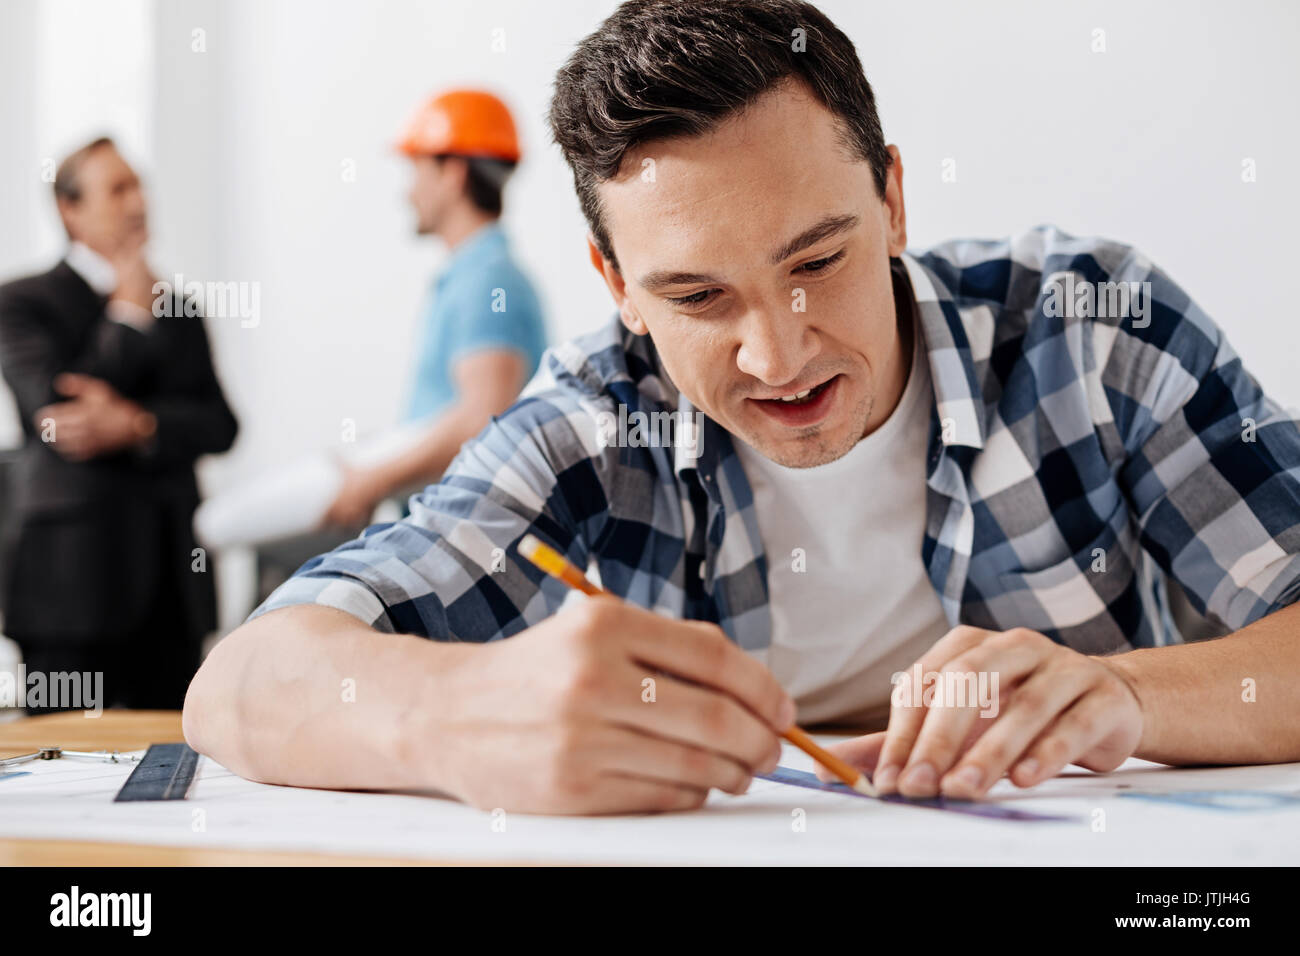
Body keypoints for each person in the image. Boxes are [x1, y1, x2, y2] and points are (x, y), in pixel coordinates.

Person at [184, 0, 1300, 815]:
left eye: (817, 258)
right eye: (694, 295)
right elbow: (240, 681)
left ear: (894, 196)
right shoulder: (590, 423)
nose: (778, 352)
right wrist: (450, 712)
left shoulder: (1091, 330)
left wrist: (1120, 693)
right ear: (616, 286)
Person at [0, 137, 238, 712]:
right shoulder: (22, 301)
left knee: (175, 758)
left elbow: (219, 425)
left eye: (139, 186)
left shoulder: (180, 310)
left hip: (169, 585)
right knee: (59, 765)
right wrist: (128, 318)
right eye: (118, 188)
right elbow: (58, 417)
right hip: (68, 587)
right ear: (70, 209)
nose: (137, 202)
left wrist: (138, 424)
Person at [322, 89, 548, 527]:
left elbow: (482, 413)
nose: (408, 194)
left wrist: (373, 479)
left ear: (453, 173)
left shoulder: (488, 279)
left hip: (473, 534)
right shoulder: (475, 275)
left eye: (416, 171)